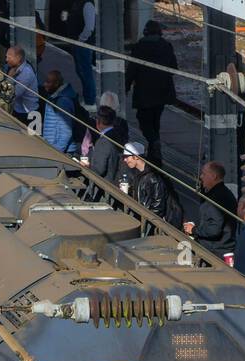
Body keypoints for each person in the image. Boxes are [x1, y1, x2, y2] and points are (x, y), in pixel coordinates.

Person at [126, 20, 177, 167]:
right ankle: (154, 154)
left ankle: (154, 144)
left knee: (143, 120)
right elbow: (174, 67)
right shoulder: (166, 46)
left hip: (144, 92)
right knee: (155, 122)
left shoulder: (139, 47)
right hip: (162, 92)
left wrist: (126, 86)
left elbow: (132, 70)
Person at [120, 141, 181, 226]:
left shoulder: (153, 178)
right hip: (142, 217)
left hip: (149, 222)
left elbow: (157, 207)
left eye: (127, 157)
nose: (125, 160)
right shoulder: (137, 173)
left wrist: (144, 221)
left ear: (136, 157)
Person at [184, 161, 237, 259]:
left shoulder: (217, 197)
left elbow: (214, 229)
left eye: (204, 174)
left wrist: (194, 229)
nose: (201, 177)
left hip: (216, 251)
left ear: (213, 176)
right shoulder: (220, 193)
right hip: (220, 247)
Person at [39, 69, 79, 154]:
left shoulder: (62, 102)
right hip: (55, 147)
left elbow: (66, 131)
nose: (45, 84)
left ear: (56, 84)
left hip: (61, 150)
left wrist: (57, 152)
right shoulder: (55, 97)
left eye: (48, 82)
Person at [84, 105, 125, 183]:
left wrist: (86, 166)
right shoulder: (118, 134)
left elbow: (99, 170)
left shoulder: (103, 142)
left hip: (104, 184)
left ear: (98, 122)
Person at [5, 45, 39, 124]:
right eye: (6, 57)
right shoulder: (13, 67)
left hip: (28, 114)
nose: (6, 60)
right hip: (18, 109)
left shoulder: (26, 73)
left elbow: (13, 94)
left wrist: (9, 78)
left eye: (9, 57)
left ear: (18, 58)